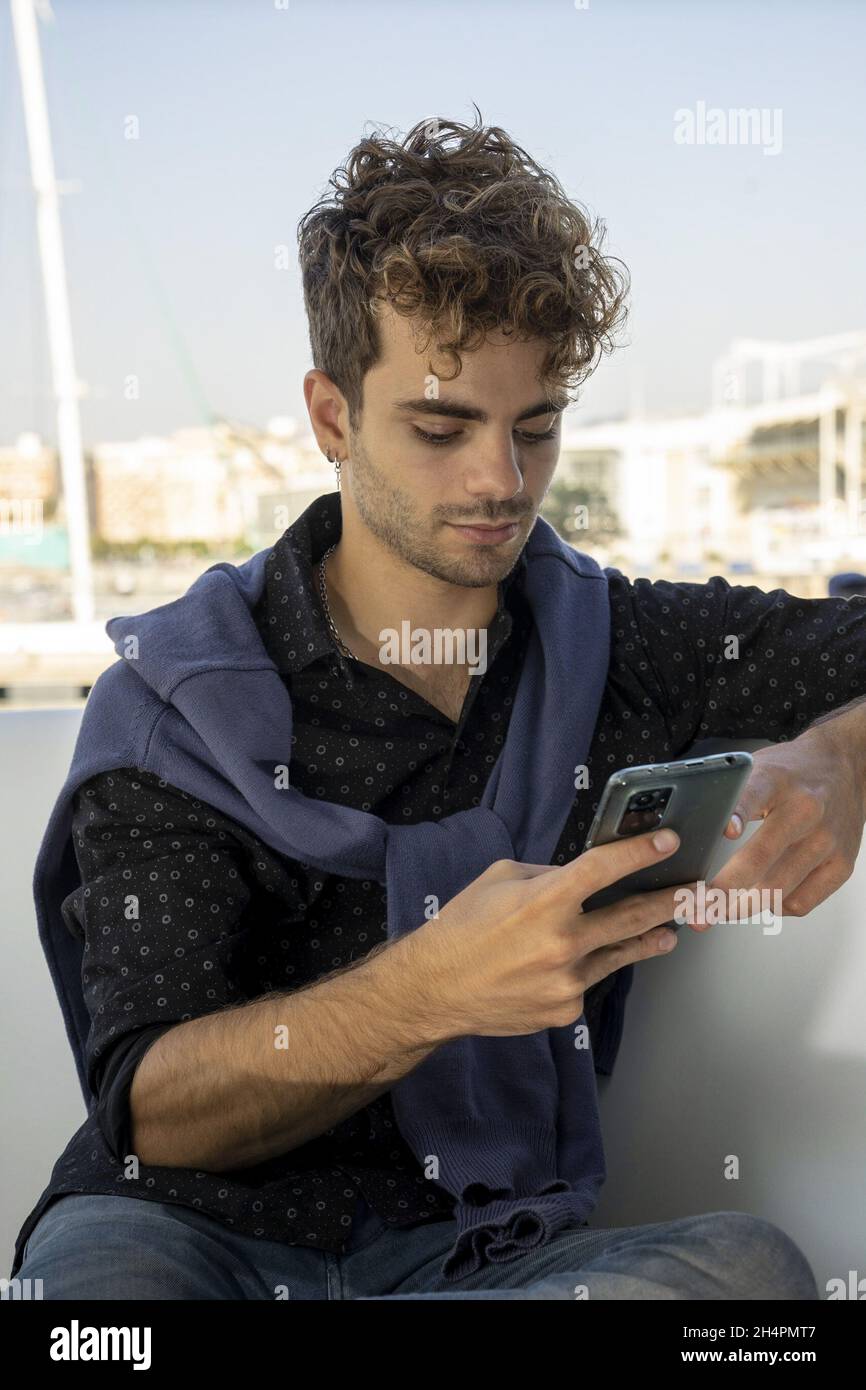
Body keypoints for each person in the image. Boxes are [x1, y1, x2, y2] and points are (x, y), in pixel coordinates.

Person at [12, 112, 866, 1302]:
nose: (499, 482)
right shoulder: (177, 706)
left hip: (484, 1255)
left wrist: (840, 756)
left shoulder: (620, 643)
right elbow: (155, 1109)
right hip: (180, 1238)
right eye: (439, 426)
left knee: (746, 1275)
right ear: (331, 419)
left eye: (534, 427)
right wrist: (424, 992)